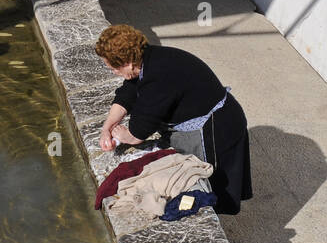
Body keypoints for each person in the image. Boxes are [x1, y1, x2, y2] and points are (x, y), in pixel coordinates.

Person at [94, 24, 253, 214]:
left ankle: (215, 214)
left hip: (216, 127)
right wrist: (108, 127)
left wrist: (123, 135)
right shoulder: (148, 58)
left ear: (128, 63)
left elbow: (139, 131)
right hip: (215, 116)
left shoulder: (158, 76)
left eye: (113, 68)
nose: (112, 71)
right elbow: (128, 92)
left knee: (212, 182)